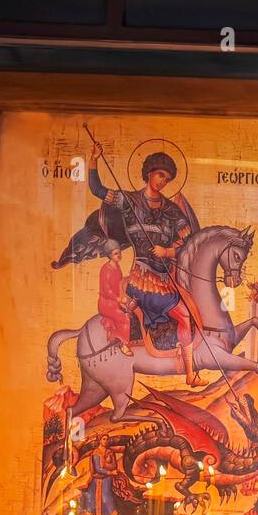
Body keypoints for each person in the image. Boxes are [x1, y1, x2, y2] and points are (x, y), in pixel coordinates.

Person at [88, 141, 205, 386]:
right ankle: (190, 374)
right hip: (141, 279)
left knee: (192, 310)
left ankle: (188, 371)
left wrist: (168, 251)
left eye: (168, 178)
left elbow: (188, 242)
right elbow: (97, 189)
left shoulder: (172, 211)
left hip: (165, 280)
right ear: (149, 173)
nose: (163, 181)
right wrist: (94, 160)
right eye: (160, 174)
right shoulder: (128, 200)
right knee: (183, 315)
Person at [97, 241, 133, 356]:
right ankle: (124, 345)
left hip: (116, 300)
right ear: (109, 255)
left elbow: (119, 284)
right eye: (116, 254)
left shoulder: (117, 266)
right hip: (107, 303)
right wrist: (119, 300)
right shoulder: (106, 269)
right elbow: (106, 290)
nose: (119, 256)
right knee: (125, 319)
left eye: (119, 253)